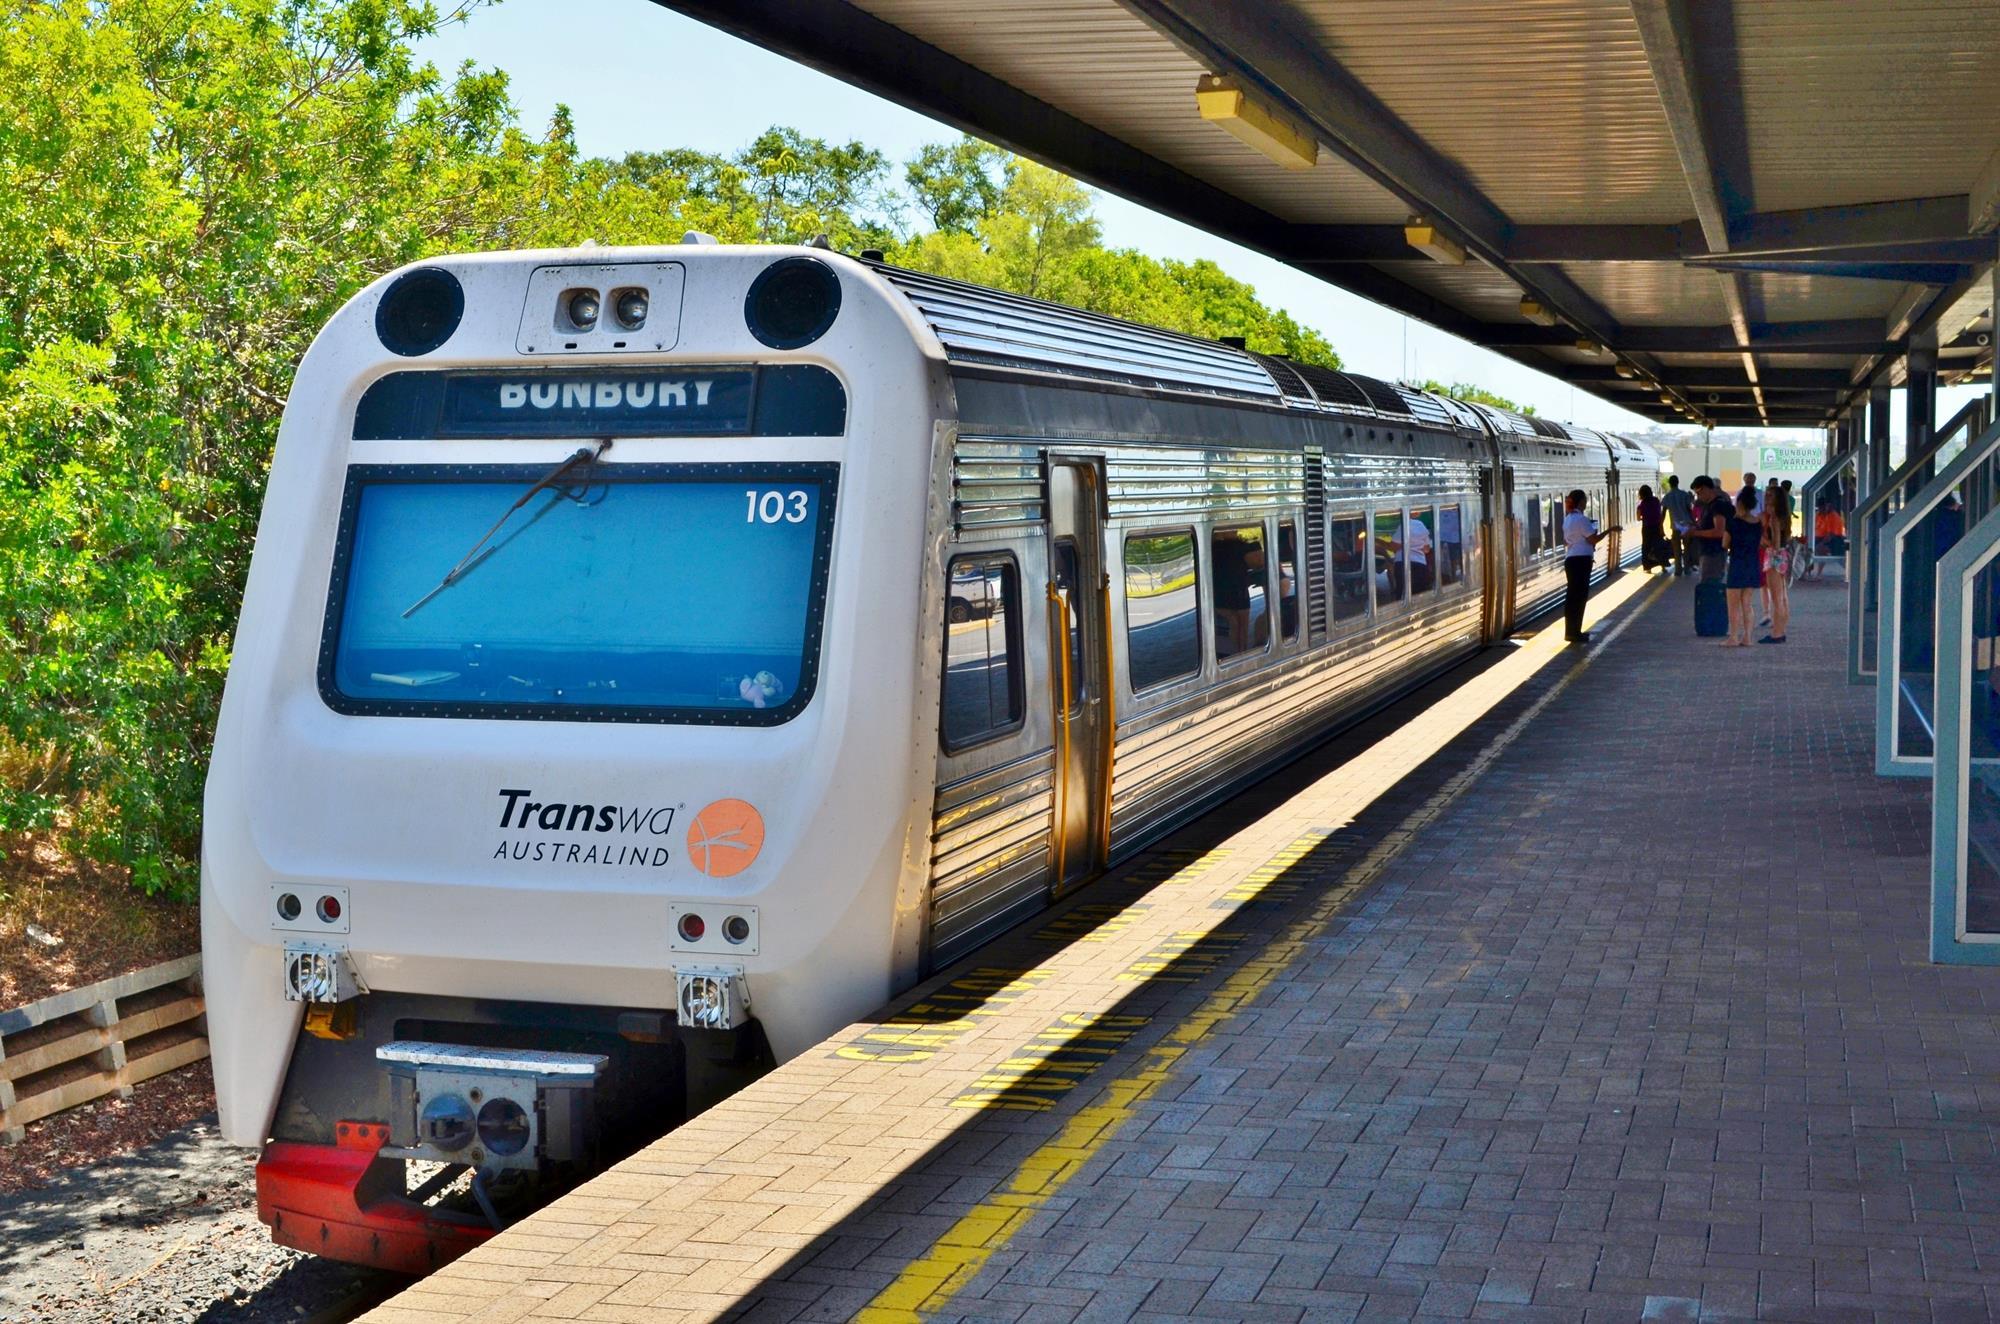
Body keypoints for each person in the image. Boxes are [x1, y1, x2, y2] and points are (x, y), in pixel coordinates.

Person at [1560, 488, 1619, 644]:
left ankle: (1570, 631)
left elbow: (1566, 541)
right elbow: (1593, 540)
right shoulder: (1581, 520)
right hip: (1581, 561)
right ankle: (1575, 633)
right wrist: (1610, 530)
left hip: (1571, 560)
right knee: (1579, 598)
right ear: (1581, 502)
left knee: (1572, 597)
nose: (1586, 503)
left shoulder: (1568, 519)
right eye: (1585, 500)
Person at [1720, 491, 1765, 647]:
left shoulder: (1733, 523)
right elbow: (1760, 543)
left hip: (1737, 564)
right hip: (1752, 564)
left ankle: (1733, 637)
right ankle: (1748, 637)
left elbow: (1725, 544)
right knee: (1747, 603)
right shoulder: (1758, 523)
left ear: (1739, 505)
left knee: (1733, 604)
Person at [1760, 484, 1791, 644]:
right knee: (1782, 596)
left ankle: (1777, 632)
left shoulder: (1773, 518)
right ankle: (1780, 629)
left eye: (1770, 496)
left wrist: (1763, 539)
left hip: (1774, 557)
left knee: (1776, 597)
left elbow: (1775, 544)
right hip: (1782, 556)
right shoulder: (1784, 516)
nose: (1766, 498)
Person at [1687, 475, 1732, 584]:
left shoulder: (1717, 506)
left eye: (1699, 493)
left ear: (1706, 488)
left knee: (1709, 587)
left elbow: (1719, 531)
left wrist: (1696, 532)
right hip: (1709, 553)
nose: (1698, 497)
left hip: (1714, 554)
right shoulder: (1709, 505)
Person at [1662, 475, 1695, 575]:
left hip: (1675, 526)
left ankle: (1678, 570)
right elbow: (1689, 509)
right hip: (1686, 526)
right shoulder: (1684, 494)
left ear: (1670, 483)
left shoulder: (1667, 496)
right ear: (1678, 482)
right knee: (1687, 548)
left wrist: (1660, 525)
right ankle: (1687, 569)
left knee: (1677, 549)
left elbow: (1663, 512)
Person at [1636, 484, 1667, 573]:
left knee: (1646, 547)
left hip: (1646, 528)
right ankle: (1663, 566)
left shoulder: (1641, 504)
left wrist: (1644, 517)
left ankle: (1648, 568)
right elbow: (1659, 513)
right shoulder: (1656, 500)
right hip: (1657, 527)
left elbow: (1638, 518)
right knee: (1659, 546)